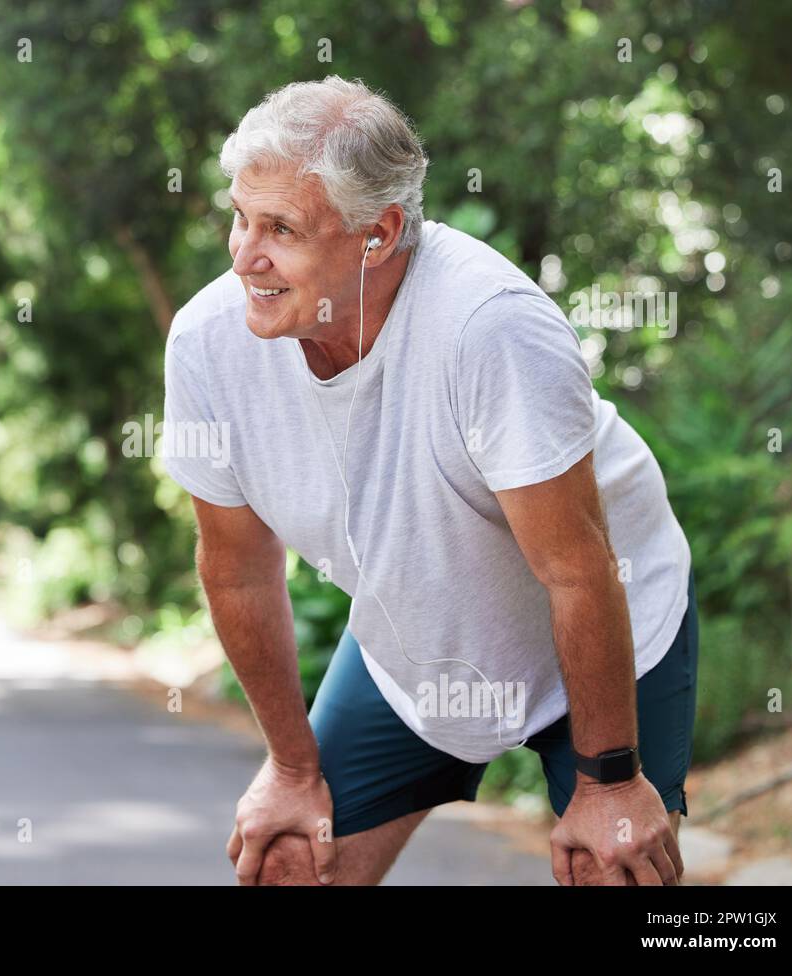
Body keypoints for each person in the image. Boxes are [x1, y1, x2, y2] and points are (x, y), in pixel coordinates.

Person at [161, 76, 697, 886]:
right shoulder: (207, 345)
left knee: (612, 865)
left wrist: (613, 781)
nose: (244, 255)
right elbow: (236, 568)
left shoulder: (491, 328)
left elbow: (577, 570)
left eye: (280, 229)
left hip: (609, 630)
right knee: (291, 860)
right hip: (413, 648)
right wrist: (290, 767)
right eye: (240, 217)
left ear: (376, 235)